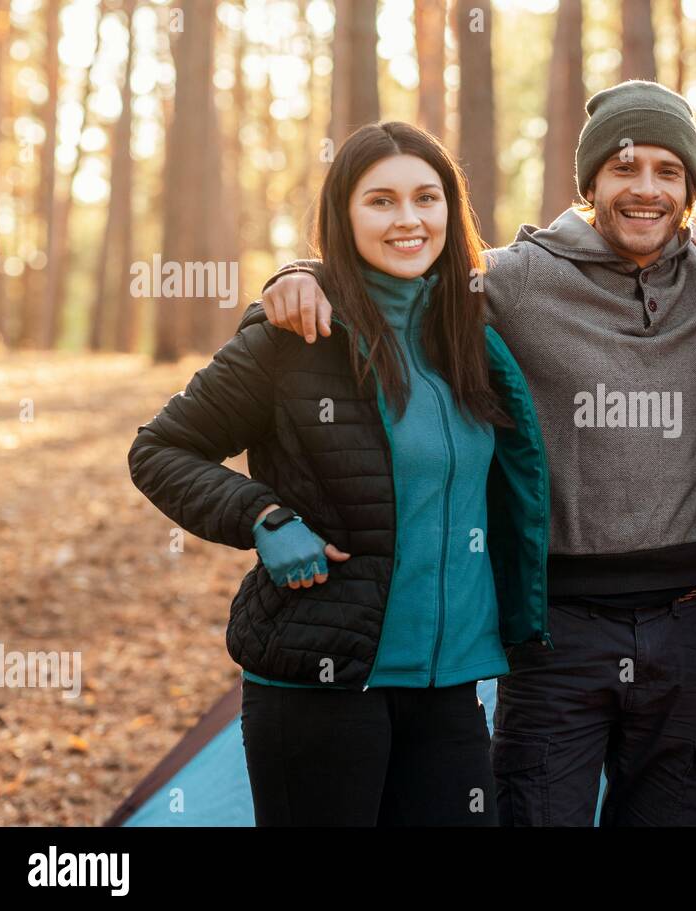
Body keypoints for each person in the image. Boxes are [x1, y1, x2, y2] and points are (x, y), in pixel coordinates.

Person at [254, 81, 696, 826]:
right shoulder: (515, 279)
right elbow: (399, 282)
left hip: (685, 625)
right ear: (590, 183)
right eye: (625, 169)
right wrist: (301, 277)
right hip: (558, 633)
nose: (646, 189)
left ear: (690, 193)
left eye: (668, 172)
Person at [127, 122, 549, 826]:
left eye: (426, 198)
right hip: (322, 684)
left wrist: (688, 245)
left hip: (450, 687)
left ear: (451, 209)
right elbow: (161, 450)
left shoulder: (473, 339)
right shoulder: (294, 339)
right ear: (343, 218)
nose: (408, 220)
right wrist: (263, 518)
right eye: (380, 202)